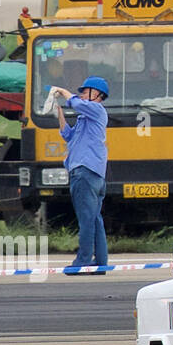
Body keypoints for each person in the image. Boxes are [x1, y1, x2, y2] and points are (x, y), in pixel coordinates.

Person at [51, 76, 110, 273]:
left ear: (98, 95)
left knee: (86, 219)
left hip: (85, 172)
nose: (83, 94)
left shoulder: (96, 110)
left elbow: (74, 101)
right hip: (92, 173)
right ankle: (100, 263)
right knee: (94, 219)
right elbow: (68, 135)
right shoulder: (86, 117)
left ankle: (83, 261)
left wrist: (62, 90)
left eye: (86, 91)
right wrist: (59, 112)